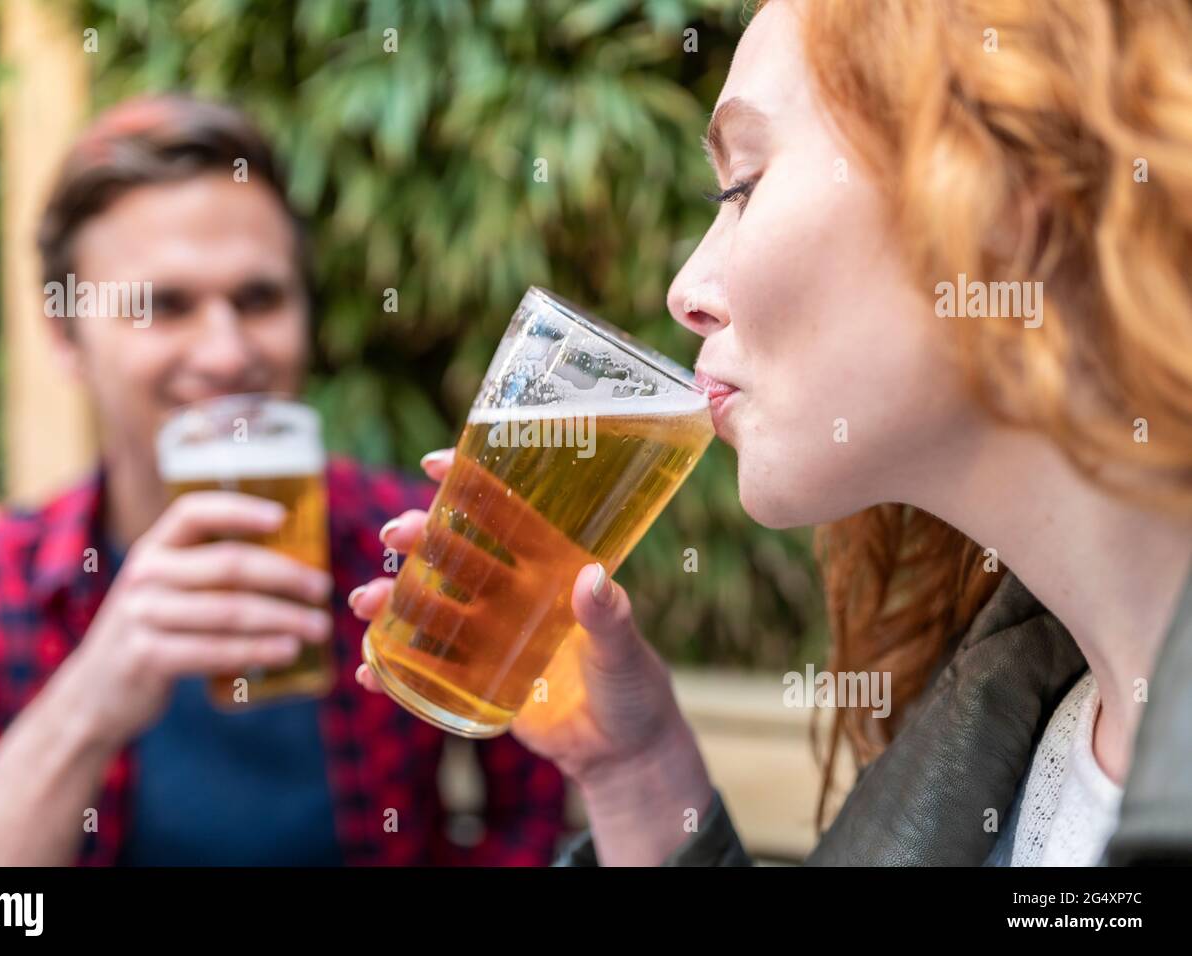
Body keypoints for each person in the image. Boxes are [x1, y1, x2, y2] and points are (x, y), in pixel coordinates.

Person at [350, 0, 1192, 865]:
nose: (687, 290)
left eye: (742, 187)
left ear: (1013, 198)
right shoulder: (1018, 717)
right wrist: (636, 772)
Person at [0, 95, 565, 866]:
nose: (225, 352)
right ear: (66, 338)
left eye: (259, 299)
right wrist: (92, 699)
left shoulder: (412, 542)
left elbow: (533, 818)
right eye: (164, 306)